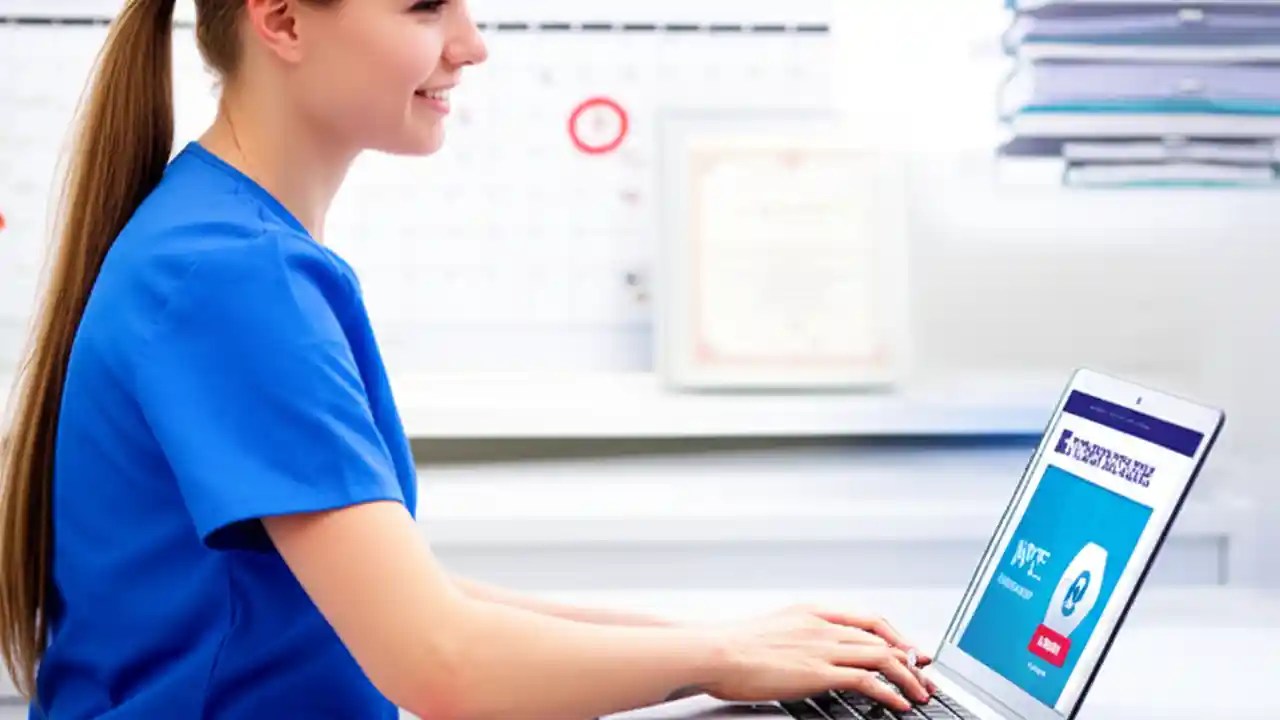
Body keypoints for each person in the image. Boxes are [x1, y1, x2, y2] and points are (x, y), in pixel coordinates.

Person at [0, 1, 935, 718]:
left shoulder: (220, 237)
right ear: (281, 19)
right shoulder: (232, 277)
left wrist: (722, 641)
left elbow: (415, 602)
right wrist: (719, 661)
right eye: (423, 7)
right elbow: (439, 662)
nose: (472, 41)